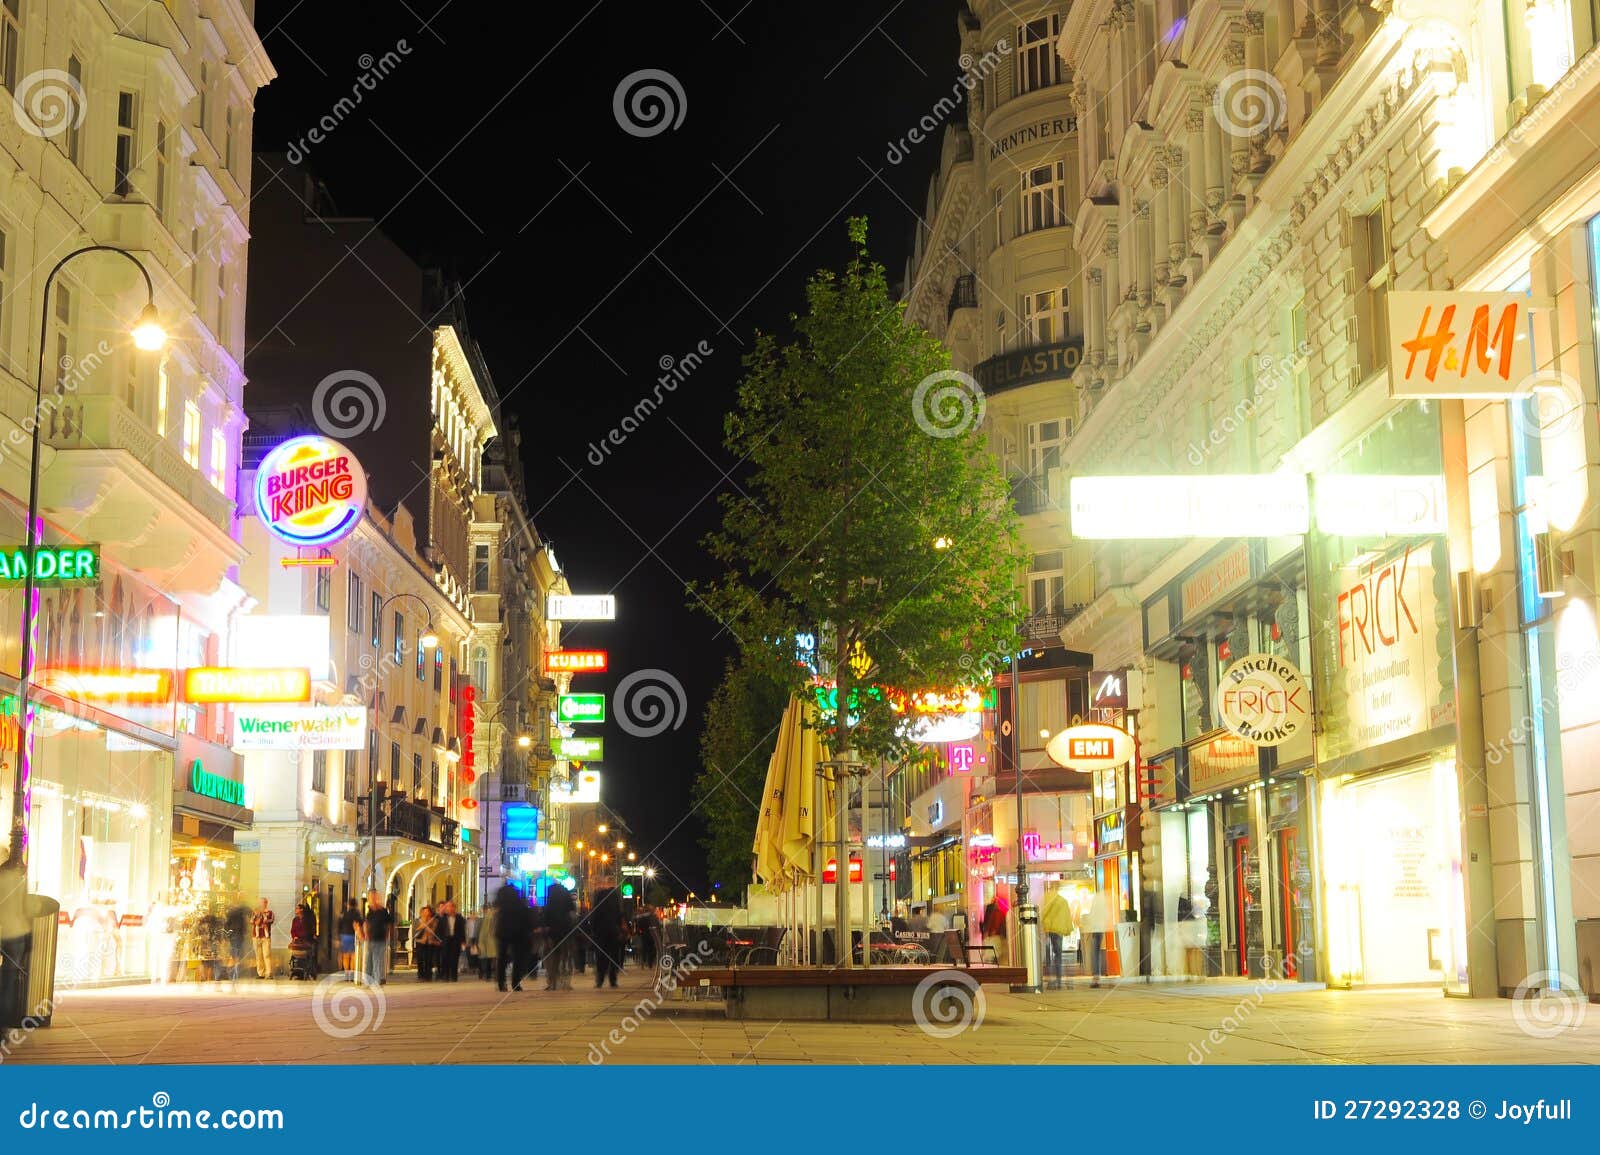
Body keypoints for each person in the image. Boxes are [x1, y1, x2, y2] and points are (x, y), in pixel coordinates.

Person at [1, 852, 32, 1021]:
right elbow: (25, 909)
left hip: (4, 932)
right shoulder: (19, 881)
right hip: (17, 933)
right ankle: (3, 1024)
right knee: (9, 978)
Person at [587, 880, 627, 989]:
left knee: (601, 956)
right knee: (614, 955)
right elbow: (619, 914)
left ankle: (600, 979)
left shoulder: (599, 898)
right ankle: (613, 979)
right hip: (613, 931)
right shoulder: (615, 898)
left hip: (601, 932)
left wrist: (593, 930)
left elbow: (594, 916)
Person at [493, 885, 532, 992]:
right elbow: (527, 918)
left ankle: (501, 983)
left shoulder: (501, 906)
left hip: (503, 933)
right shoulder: (520, 904)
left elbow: (497, 920)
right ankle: (516, 983)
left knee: (501, 959)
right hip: (518, 934)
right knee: (518, 959)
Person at [1040, 885, 1076, 983]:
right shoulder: (1063, 901)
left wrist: (1044, 925)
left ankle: (1056, 976)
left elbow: (1044, 914)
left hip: (1052, 929)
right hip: (1059, 930)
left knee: (1053, 952)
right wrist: (1068, 929)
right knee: (1058, 953)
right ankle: (1058, 977)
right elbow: (1067, 916)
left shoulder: (1049, 901)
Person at [542, 882, 575, 991]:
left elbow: (545, 918)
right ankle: (565, 982)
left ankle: (552, 981)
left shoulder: (550, 903)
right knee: (565, 957)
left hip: (552, 933)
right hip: (565, 932)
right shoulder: (566, 900)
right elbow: (572, 915)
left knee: (552, 958)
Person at [1083, 884, 1115, 987]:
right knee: (1097, 952)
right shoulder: (1105, 900)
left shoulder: (1097, 900)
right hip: (1100, 928)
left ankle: (1096, 978)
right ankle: (1097, 977)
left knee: (1095, 953)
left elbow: (1092, 915)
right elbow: (1106, 915)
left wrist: (1090, 926)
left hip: (1096, 929)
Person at [360, 890, 393, 986]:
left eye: (373, 897)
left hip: (380, 939)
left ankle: (376, 980)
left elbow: (389, 924)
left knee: (377, 960)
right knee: (368, 961)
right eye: (370, 898)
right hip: (370, 940)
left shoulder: (383, 911)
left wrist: (387, 935)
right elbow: (366, 923)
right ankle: (367, 980)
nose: (372, 900)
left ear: (376, 898)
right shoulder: (369, 912)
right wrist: (365, 933)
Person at [223, 895, 250, 985]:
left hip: (234, 935)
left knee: (235, 955)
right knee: (237, 955)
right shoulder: (239, 912)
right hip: (237, 935)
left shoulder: (231, 913)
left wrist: (227, 934)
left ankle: (233, 973)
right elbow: (247, 910)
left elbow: (227, 924)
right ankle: (233, 973)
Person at [436, 900, 466, 981]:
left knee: (454, 959)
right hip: (446, 940)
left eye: (450, 907)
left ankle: (454, 976)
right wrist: (439, 940)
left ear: (454, 908)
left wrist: (463, 941)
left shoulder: (459, 918)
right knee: (445, 958)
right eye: (447, 907)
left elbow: (462, 930)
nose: (448, 908)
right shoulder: (443, 919)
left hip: (455, 940)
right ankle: (445, 976)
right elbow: (439, 930)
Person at [250, 897, 275, 979]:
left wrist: (263, 918)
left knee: (267, 954)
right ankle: (261, 973)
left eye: (262, 902)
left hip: (265, 937)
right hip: (256, 937)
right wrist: (256, 918)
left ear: (266, 903)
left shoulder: (270, 912)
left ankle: (269, 973)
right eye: (259, 902)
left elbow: (271, 921)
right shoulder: (255, 912)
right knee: (258, 955)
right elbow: (251, 921)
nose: (260, 904)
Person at [413, 905, 440, 982]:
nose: (426, 913)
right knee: (420, 960)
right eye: (424, 912)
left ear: (430, 913)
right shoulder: (417, 921)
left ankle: (428, 976)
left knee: (429, 959)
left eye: (428, 911)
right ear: (421, 913)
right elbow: (415, 931)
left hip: (430, 942)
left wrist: (429, 924)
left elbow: (435, 931)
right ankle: (420, 976)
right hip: (420, 942)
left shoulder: (434, 921)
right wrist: (422, 925)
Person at [980, 892, 1008, 965]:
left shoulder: (992, 912)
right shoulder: (999, 913)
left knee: (991, 957)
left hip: (992, 937)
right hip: (996, 937)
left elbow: (990, 925)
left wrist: (988, 933)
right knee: (997, 957)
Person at [337, 899, 361, 975]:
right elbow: (360, 924)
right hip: (354, 936)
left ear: (348, 905)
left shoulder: (344, 914)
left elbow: (339, 925)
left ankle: (347, 973)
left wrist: (339, 937)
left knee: (345, 956)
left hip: (344, 936)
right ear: (356, 905)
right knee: (353, 955)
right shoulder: (357, 914)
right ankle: (352, 973)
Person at [476, 901, 499, 981]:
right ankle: (496, 975)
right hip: (495, 940)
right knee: (495, 959)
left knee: (490, 959)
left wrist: (481, 941)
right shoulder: (497, 915)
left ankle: (489, 975)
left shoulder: (489, 916)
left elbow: (484, 930)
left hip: (490, 941)